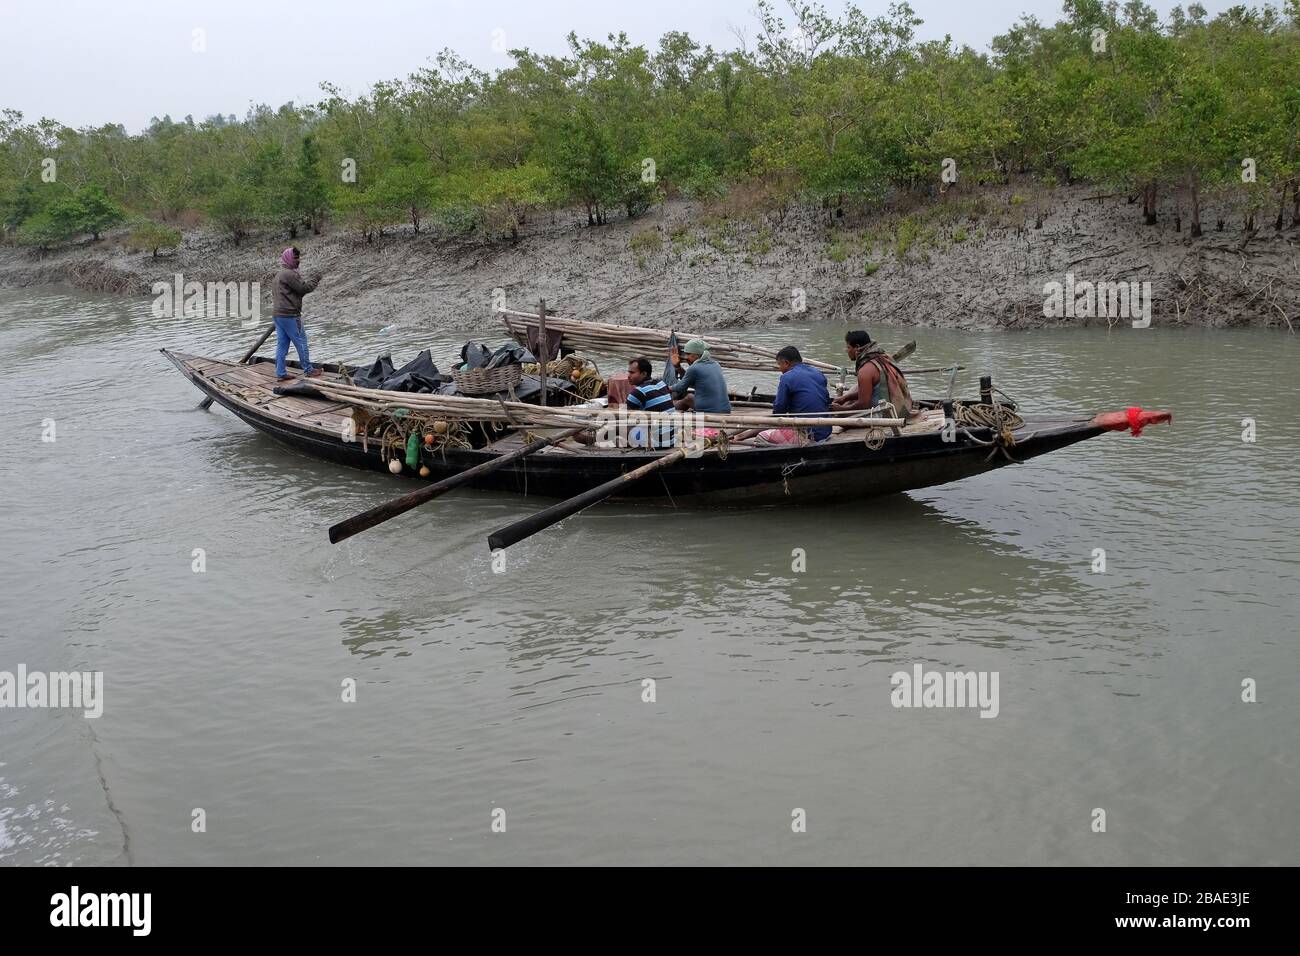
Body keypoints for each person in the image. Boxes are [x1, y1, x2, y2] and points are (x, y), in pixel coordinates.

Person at [736, 346, 832, 444]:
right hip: (825, 431)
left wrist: (745, 435)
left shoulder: (787, 377)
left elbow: (779, 411)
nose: (779, 368)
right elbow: (826, 400)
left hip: (808, 433)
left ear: (786, 363)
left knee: (762, 437)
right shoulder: (818, 373)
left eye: (779, 364)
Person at [831, 330, 913, 421]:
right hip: (898, 407)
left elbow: (863, 405)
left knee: (839, 419)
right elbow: (869, 391)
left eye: (848, 347)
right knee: (848, 401)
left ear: (857, 347)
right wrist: (845, 398)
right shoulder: (883, 357)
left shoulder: (865, 370)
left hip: (884, 415)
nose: (846, 350)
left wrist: (841, 410)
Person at [271, 246, 322, 381]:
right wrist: (316, 278)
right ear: (289, 258)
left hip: (278, 315)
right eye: (295, 258)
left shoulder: (279, 275)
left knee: (282, 344)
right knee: (301, 342)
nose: (298, 260)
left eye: (298, 257)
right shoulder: (290, 274)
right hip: (290, 315)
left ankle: (280, 372)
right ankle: (308, 369)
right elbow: (303, 288)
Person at [623, 357, 676, 448]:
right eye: (628, 372)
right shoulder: (661, 383)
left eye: (632, 373)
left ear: (644, 374)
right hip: (672, 439)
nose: (628, 375)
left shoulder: (637, 393)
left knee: (616, 428)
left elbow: (629, 421)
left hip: (657, 443)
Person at [669, 338, 731, 414]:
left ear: (697, 355)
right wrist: (677, 366)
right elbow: (691, 382)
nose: (686, 357)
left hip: (710, 410)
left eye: (689, 354)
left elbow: (681, 387)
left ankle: (666, 406)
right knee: (690, 397)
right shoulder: (716, 364)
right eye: (685, 354)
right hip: (726, 409)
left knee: (689, 398)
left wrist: (665, 388)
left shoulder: (694, 368)